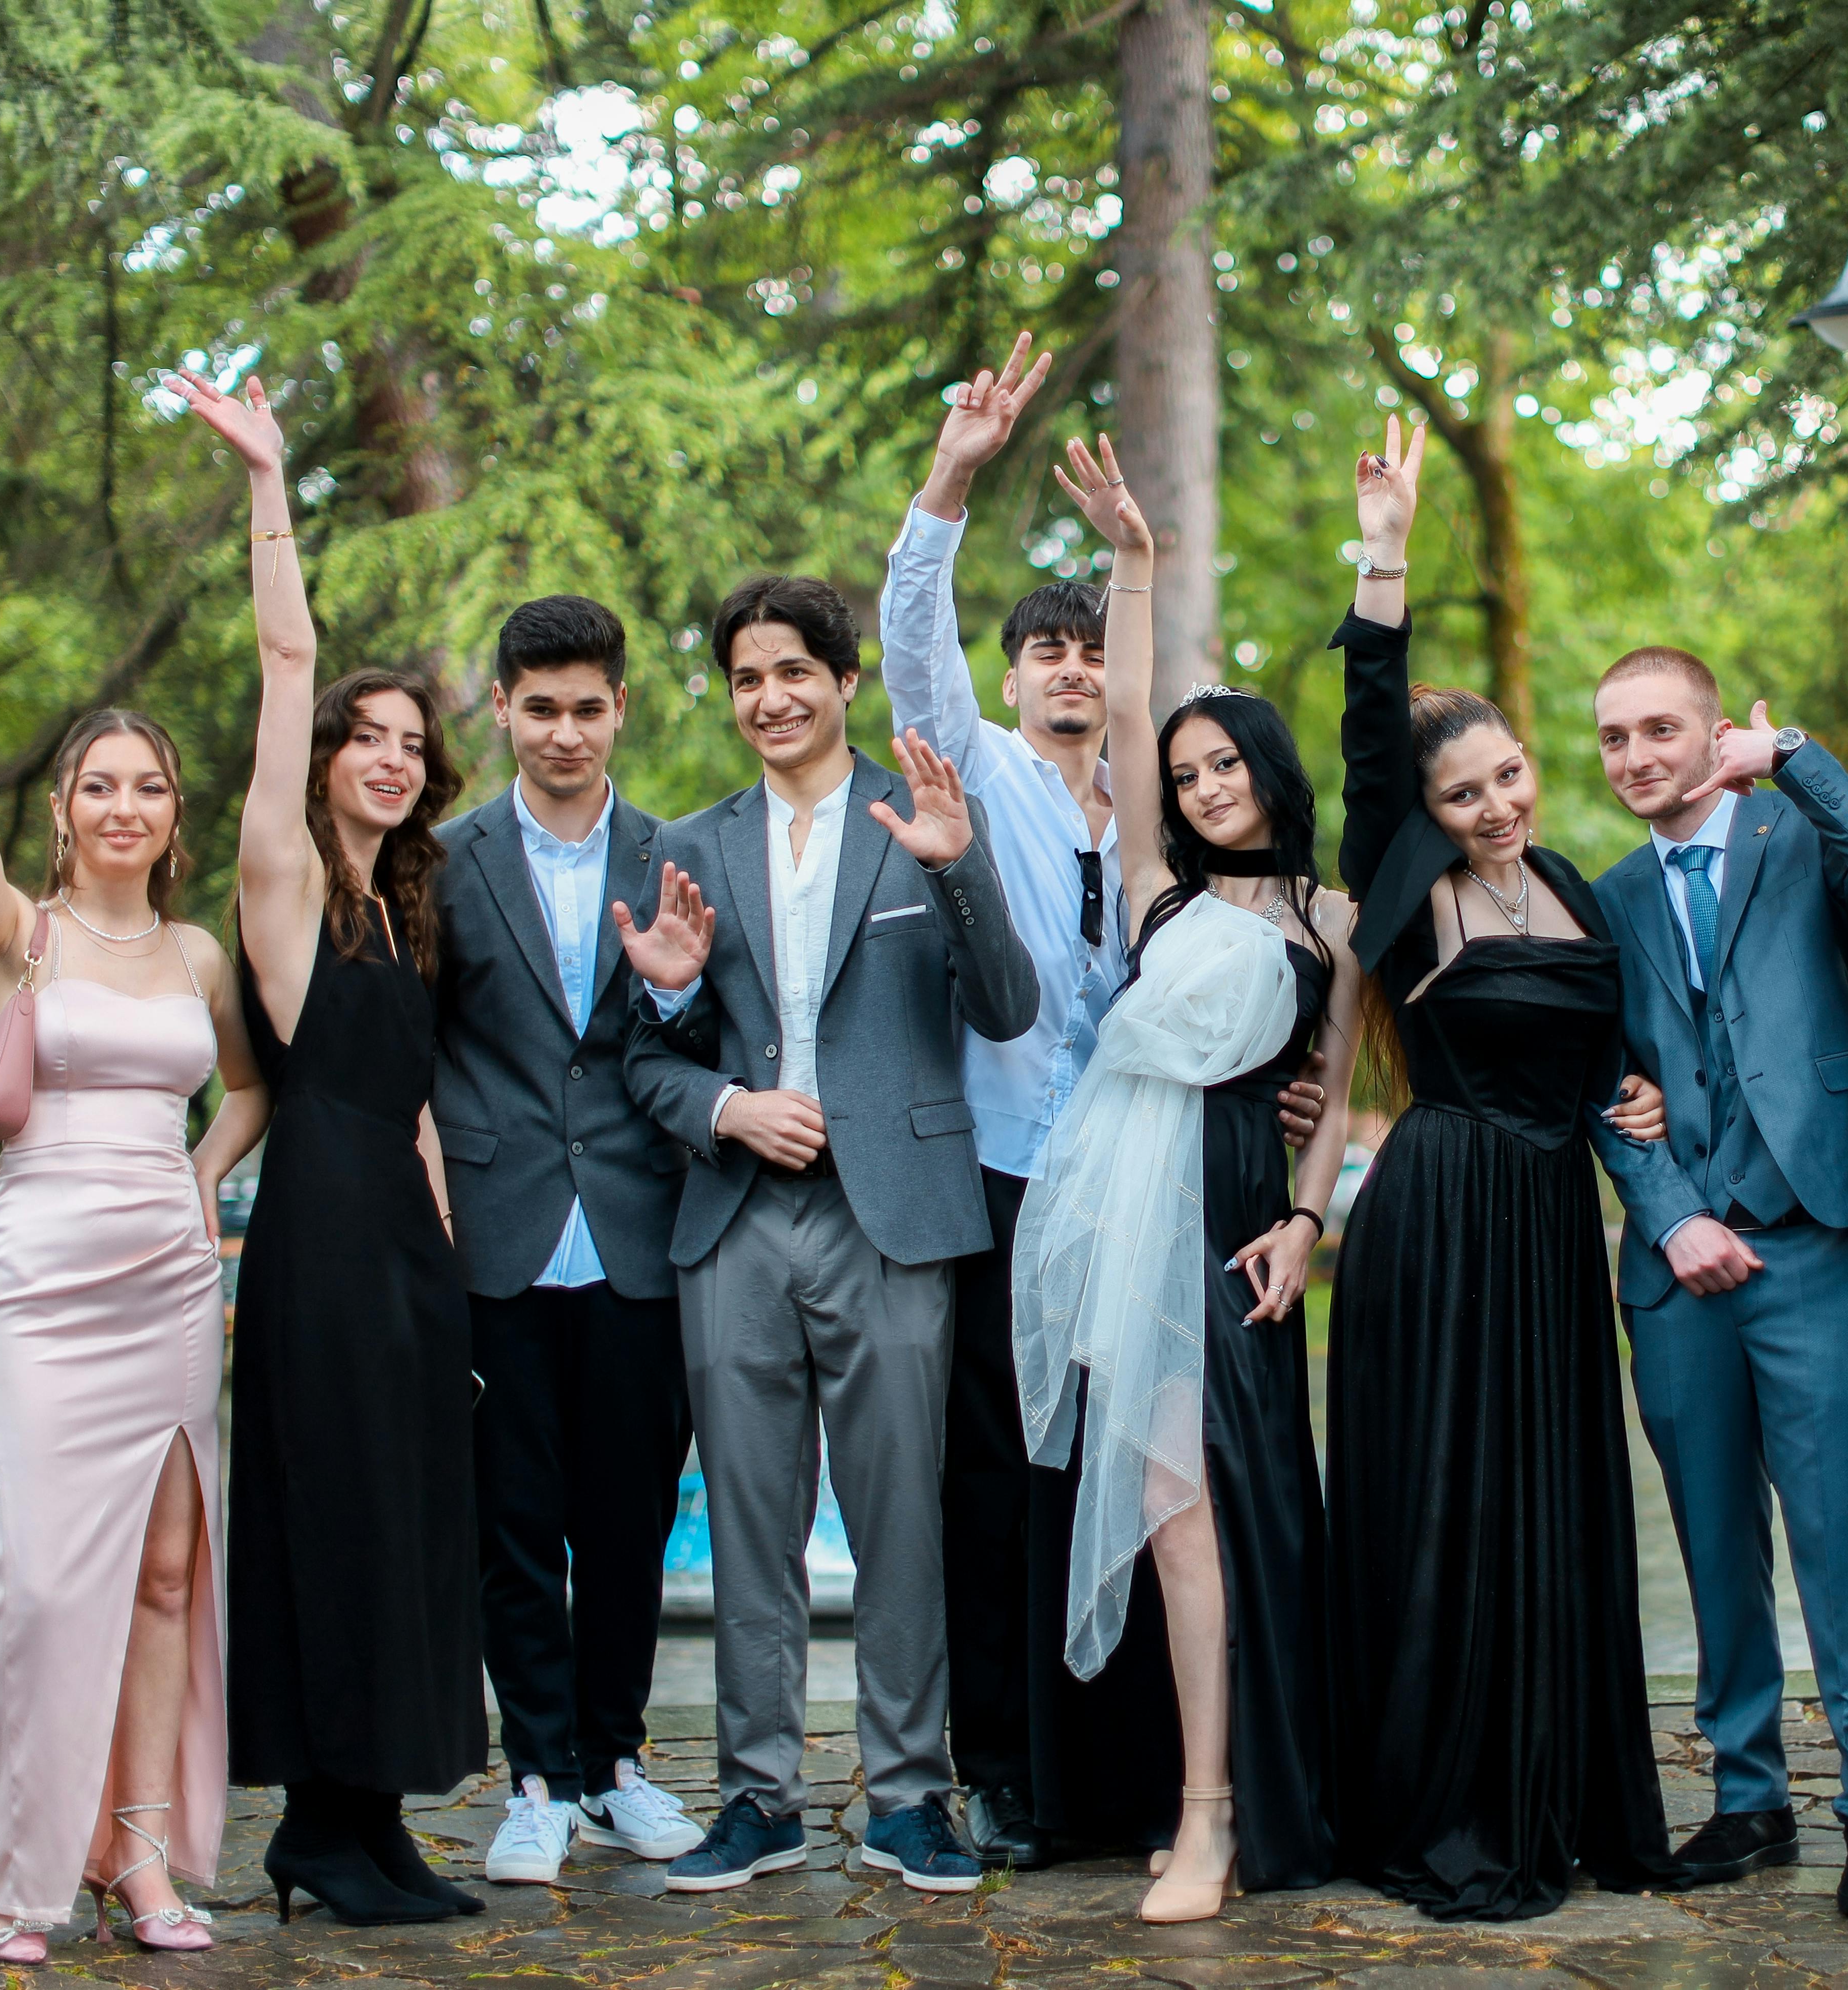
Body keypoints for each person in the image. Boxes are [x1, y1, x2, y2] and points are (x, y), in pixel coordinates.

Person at [875, 335, 1324, 1865]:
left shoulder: (1169, 833)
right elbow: (909, 639)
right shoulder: (980, 773)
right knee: (1005, 1478)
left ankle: (1151, 1770)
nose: (1073, 669)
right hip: (1012, 1172)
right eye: (1046, 652)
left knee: (1143, 1469)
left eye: (1090, 649)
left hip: (1172, 1186)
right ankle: (1007, 1766)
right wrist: (955, 474)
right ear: (1012, 680)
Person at [0, 608, 259, 1964]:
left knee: (163, 1576)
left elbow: (249, 1089)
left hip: (165, 1280)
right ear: (67, 814)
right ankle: (10, 1864)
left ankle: (138, 1860)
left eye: (147, 786)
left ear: (172, 813)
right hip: (39, 1283)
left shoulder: (200, 955)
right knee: (25, 1579)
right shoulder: (16, 934)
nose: (123, 806)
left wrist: (202, 1176)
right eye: (98, 786)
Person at [617, 573, 1037, 1897]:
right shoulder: (687, 845)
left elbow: (1010, 1006)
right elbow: (644, 1059)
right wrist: (720, 1089)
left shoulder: (915, 819)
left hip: (897, 1224)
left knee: (900, 1517)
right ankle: (759, 1799)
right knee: (748, 1521)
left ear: (843, 682)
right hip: (737, 1220)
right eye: (746, 676)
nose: (769, 697)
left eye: (793, 671)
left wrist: (957, 865)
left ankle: (912, 1800)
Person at [1324, 419, 1679, 1923]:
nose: (1497, 807)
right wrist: (1387, 552)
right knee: (1449, 1508)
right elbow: (1364, 723)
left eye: (1511, 775)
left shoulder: (1576, 889)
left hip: (1546, 1227)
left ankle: (1563, 1788)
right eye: (1464, 793)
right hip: (1443, 1214)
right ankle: (1449, 1799)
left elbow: (1606, 1051)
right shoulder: (1408, 882)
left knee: (1550, 1507)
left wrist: (1634, 1100)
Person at [1009, 433, 1363, 1924]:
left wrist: (1301, 1218)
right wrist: (1134, 567)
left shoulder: (1331, 917)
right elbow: (1137, 698)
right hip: (1121, 1217)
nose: (1202, 783)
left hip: (1230, 1221)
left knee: (1223, 1514)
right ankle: (1192, 1800)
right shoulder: (1157, 887)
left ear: (1267, 770)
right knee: (1167, 1521)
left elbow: (1334, 1100)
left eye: (1225, 765)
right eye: (1183, 772)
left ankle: (1223, 1818)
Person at [169, 366, 490, 1928]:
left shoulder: (404, 913)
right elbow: (284, 649)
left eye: (411, 742)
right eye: (366, 737)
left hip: (405, 1243)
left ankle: (375, 1822)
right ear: (323, 758)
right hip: (314, 1232)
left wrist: (449, 1275)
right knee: (336, 1514)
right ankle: (316, 1826)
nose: (390, 756)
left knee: (407, 1516)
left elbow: (424, 1106)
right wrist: (268, 487)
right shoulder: (284, 882)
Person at [1587, 649, 1848, 1919]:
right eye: (1615, 738)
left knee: (1846, 1535)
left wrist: (1795, 757)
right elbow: (1595, 1079)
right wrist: (1672, 1218)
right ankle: (1748, 1799)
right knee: (1716, 1541)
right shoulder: (1607, 895)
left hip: (1814, 1238)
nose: (1637, 758)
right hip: (1680, 1273)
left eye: (1662, 730)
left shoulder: (1800, 838)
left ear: (1716, 733)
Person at [430, 596, 701, 1885]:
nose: (565, 731)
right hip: (498, 1236)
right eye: (540, 708)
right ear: (501, 710)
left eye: (588, 707)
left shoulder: (677, 854)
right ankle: (536, 1776)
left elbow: (703, 1041)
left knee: (631, 1517)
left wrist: (681, 985)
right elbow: (418, 1050)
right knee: (515, 1524)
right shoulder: (441, 861)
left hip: (642, 1236)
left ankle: (617, 1764)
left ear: (621, 711)